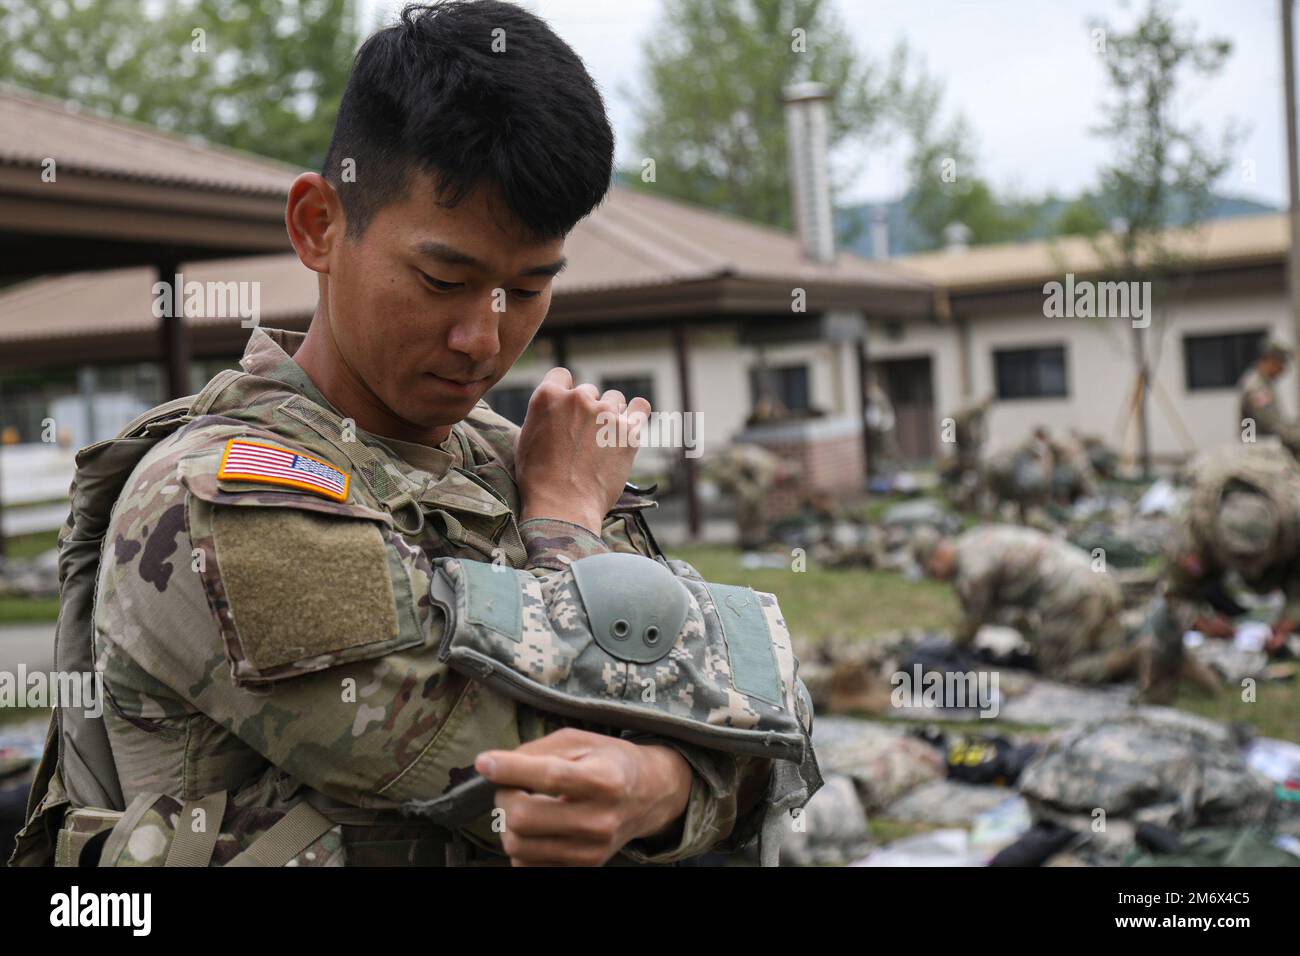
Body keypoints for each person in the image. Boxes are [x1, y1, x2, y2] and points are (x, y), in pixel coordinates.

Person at [13, 1, 800, 868]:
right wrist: (571, 530)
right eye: (442, 278)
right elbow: (545, 763)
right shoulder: (220, 495)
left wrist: (658, 786)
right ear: (318, 225)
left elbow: (777, 719)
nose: (483, 338)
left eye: (529, 289)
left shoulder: (509, 457)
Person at [1147, 444, 1300, 702]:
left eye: (1254, 556)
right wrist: (1202, 621)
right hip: (1214, 562)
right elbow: (1175, 593)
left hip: (1285, 550)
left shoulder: (1294, 521)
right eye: (1240, 556)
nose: (1249, 566)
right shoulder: (1194, 534)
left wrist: (1289, 621)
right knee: (1162, 618)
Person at [916, 525, 1131, 683]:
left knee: (1057, 671)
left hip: (1071, 591)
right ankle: (1130, 660)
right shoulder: (976, 538)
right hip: (1098, 575)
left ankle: (1132, 657)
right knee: (1100, 648)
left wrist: (955, 647)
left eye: (933, 571)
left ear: (939, 554)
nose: (937, 579)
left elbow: (974, 620)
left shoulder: (973, 568)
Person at [710, 443, 782, 550]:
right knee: (749, 502)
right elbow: (757, 490)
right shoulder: (770, 469)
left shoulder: (772, 462)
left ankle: (749, 539)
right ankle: (750, 540)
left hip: (730, 466)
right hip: (730, 467)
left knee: (748, 501)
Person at [1238, 340, 1300, 459]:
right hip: (1258, 453)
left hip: (1263, 449)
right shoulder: (1257, 387)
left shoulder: (1264, 383)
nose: (1282, 371)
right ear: (1271, 362)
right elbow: (1271, 425)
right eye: (1281, 365)